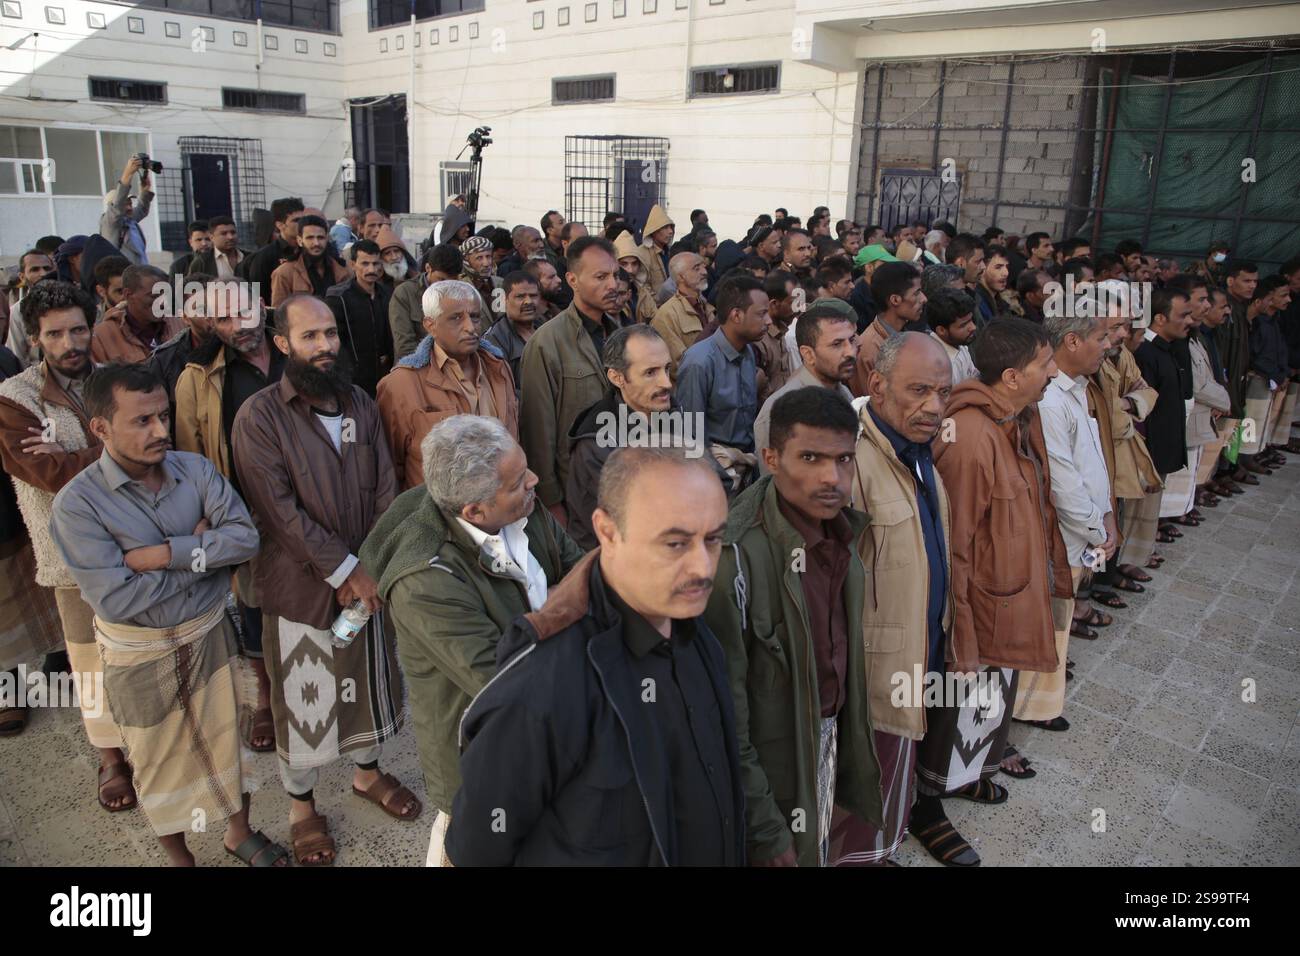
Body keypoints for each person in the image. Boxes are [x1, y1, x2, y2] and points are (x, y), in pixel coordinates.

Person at [445, 444, 744, 866]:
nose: (703, 567)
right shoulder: (541, 688)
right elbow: (478, 850)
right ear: (607, 531)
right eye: (675, 543)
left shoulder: (697, 633)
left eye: (713, 539)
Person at [49, 364, 282, 866]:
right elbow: (115, 599)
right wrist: (204, 555)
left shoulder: (194, 469)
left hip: (208, 633)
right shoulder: (76, 506)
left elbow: (245, 538)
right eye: (142, 421)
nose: (159, 431)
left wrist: (166, 554)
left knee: (228, 741)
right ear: (101, 428)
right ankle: (179, 857)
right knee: (158, 759)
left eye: (162, 415)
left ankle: (238, 833)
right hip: (140, 650)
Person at [232, 294, 415, 867]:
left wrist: (374, 562)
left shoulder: (359, 401)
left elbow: (385, 485)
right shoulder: (259, 417)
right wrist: (345, 569)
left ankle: (365, 774)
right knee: (303, 697)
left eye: (330, 334)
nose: (325, 346)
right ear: (282, 343)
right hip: (299, 586)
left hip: (365, 581)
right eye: (309, 336)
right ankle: (301, 806)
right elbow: (279, 512)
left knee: (363, 684)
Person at [359, 414, 586, 866]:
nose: (535, 482)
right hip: (484, 763)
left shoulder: (521, 505)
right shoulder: (425, 581)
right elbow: (504, 678)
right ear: (474, 513)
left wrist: (549, 614)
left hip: (548, 737)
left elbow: (583, 574)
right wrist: (559, 610)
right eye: (520, 480)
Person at [705, 387, 882, 866]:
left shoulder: (842, 530)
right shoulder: (735, 561)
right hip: (771, 777)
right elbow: (726, 722)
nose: (832, 478)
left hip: (822, 743)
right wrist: (766, 828)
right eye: (810, 457)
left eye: (844, 459)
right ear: (771, 458)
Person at [924, 318, 1072, 860]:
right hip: (979, 607)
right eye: (1044, 365)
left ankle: (966, 774)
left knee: (988, 704)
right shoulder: (970, 436)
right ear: (1011, 376)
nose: (1053, 372)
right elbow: (954, 546)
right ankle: (927, 799)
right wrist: (961, 629)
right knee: (954, 708)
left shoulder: (1010, 420)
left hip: (1007, 596)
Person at [0, 281, 136, 810]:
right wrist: (117, 450)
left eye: (78, 328)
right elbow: (47, 472)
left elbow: (157, 446)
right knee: (88, 664)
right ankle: (111, 760)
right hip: (70, 560)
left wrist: (105, 450)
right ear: (35, 339)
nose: (70, 342)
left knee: (135, 655)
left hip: (134, 545)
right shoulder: (16, 399)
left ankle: (145, 746)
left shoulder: (119, 380)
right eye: (55, 333)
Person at [843, 332, 954, 864]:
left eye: (942, 392)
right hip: (872, 672)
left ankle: (886, 843)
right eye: (919, 390)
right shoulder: (851, 461)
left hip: (921, 648)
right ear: (878, 385)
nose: (934, 406)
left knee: (898, 765)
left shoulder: (917, 450)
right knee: (864, 778)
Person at [1020, 303, 1116, 731]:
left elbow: (1090, 462)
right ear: (1072, 341)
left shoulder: (1074, 389)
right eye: (1102, 338)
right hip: (1066, 533)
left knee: (1061, 615)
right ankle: (1028, 707)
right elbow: (1062, 480)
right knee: (1050, 617)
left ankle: (1044, 697)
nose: (1108, 346)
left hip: (1085, 532)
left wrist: (1106, 518)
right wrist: (1098, 527)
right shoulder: (1051, 401)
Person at [377, 279, 518, 490]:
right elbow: (390, 469)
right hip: (439, 515)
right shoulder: (401, 384)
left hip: (503, 507)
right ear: (430, 325)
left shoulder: (498, 368)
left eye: (475, 316)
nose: (470, 327)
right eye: (456, 318)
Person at [519, 236, 622, 522]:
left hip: (622, 485)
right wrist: (551, 500)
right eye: (601, 276)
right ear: (572, 279)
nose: (613, 285)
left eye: (615, 275)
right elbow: (538, 430)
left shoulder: (622, 335)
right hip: (575, 494)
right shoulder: (546, 343)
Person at [565, 325, 680, 549]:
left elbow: (715, 478)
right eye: (650, 373)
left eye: (667, 369)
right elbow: (633, 524)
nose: (666, 383)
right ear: (617, 377)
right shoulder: (596, 442)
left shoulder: (672, 410)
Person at [676, 275, 769, 495]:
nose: (769, 321)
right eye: (761, 314)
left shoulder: (747, 352)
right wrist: (719, 479)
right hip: (717, 477)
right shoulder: (699, 362)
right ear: (736, 315)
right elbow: (691, 435)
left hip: (746, 469)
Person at [753, 300, 856, 462]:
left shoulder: (843, 394)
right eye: (837, 344)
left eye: (852, 340)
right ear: (808, 354)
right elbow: (777, 481)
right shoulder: (779, 412)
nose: (850, 352)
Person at [325, 239, 394, 397]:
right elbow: (335, 340)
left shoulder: (387, 294)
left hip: (385, 375)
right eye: (365, 263)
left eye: (376, 264)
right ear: (353, 264)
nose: (371, 269)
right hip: (352, 379)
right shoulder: (339, 298)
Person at [849, 261, 925, 396]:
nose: (924, 299)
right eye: (916, 294)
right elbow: (873, 403)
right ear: (895, 300)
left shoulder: (904, 332)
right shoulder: (869, 351)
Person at [90, 265, 183, 364]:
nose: (163, 303)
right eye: (154, 296)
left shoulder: (179, 326)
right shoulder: (102, 337)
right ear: (128, 295)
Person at [392, 244, 461, 361]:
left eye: (452, 281)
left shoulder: (462, 292)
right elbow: (404, 346)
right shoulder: (405, 293)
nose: (446, 286)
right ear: (428, 268)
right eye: (441, 279)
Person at [650, 252, 714, 371]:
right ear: (680, 277)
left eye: (703, 267)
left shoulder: (707, 308)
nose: (704, 272)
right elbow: (677, 364)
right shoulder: (667, 315)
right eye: (696, 268)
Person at [270, 214, 349, 307]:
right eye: (310, 238)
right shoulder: (284, 273)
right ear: (300, 241)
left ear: (327, 239)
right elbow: (278, 314)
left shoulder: (342, 270)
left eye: (320, 237)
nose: (316, 243)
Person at [481, 270, 541, 391]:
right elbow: (501, 390)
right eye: (520, 296)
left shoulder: (547, 329)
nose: (528, 301)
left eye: (533, 296)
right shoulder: (494, 339)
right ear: (504, 299)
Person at [244, 197, 305, 307]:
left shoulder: (309, 251)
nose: (302, 224)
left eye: (303, 219)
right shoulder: (265, 257)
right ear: (280, 225)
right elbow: (258, 295)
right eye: (296, 220)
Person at [99, 155, 155, 266]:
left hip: (140, 274)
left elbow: (142, 209)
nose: (129, 208)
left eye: (130, 204)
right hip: (125, 277)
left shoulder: (128, 221)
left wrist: (144, 191)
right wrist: (128, 173)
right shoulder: (110, 223)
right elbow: (117, 206)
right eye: (125, 205)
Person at [753, 271, 798, 404]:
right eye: (793, 303)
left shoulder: (781, 330)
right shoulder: (759, 341)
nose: (798, 308)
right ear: (773, 304)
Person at [926, 287, 978, 385]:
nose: (973, 327)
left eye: (971, 320)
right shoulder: (941, 367)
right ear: (941, 330)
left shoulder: (958, 342)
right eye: (963, 325)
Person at [458, 234, 502, 331]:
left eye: (488, 256)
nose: (486, 263)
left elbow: (502, 315)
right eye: (479, 258)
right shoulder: (460, 288)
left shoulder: (499, 283)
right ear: (466, 260)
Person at [187, 216, 250, 280]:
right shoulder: (201, 262)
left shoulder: (249, 258)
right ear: (211, 237)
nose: (230, 237)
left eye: (233, 232)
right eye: (224, 233)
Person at [973, 245, 1013, 327]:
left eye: (1007, 267)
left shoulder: (1000, 302)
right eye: (998, 267)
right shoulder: (976, 302)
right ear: (982, 269)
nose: (1006, 273)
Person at [641, 204, 675, 292]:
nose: (670, 231)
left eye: (671, 227)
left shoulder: (669, 251)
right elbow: (643, 286)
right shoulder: (643, 253)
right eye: (665, 228)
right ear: (654, 231)